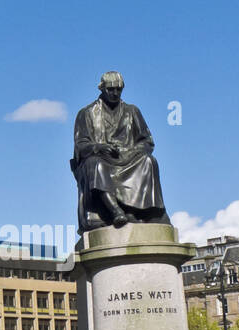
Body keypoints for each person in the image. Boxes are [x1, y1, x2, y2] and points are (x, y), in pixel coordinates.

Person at [71, 72, 169, 233]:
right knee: (96, 164)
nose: (115, 93)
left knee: (149, 161)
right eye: (111, 89)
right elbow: (80, 145)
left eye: (118, 89)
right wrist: (98, 147)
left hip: (128, 158)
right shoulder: (86, 113)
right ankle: (115, 211)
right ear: (102, 89)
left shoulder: (132, 111)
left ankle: (140, 211)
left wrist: (132, 151)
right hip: (100, 159)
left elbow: (147, 141)